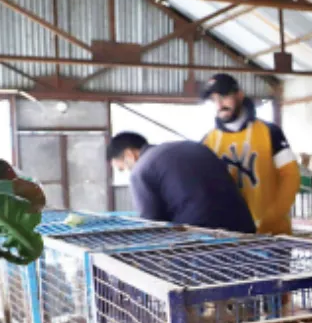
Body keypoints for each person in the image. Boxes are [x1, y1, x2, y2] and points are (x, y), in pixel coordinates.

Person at [200, 73, 301, 235]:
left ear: (239, 95)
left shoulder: (270, 132)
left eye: (224, 96)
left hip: (273, 236)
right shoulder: (206, 142)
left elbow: (291, 176)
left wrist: (272, 217)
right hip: (228, 238)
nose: (219, 104)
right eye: (213, 99)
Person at [106, 132, 256, 234]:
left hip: (204, 240)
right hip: (245, 229)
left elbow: (151, 223)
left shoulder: (141, 169)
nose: (127, 172)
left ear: (129, 155)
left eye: (122, 168)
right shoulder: (193, 147)